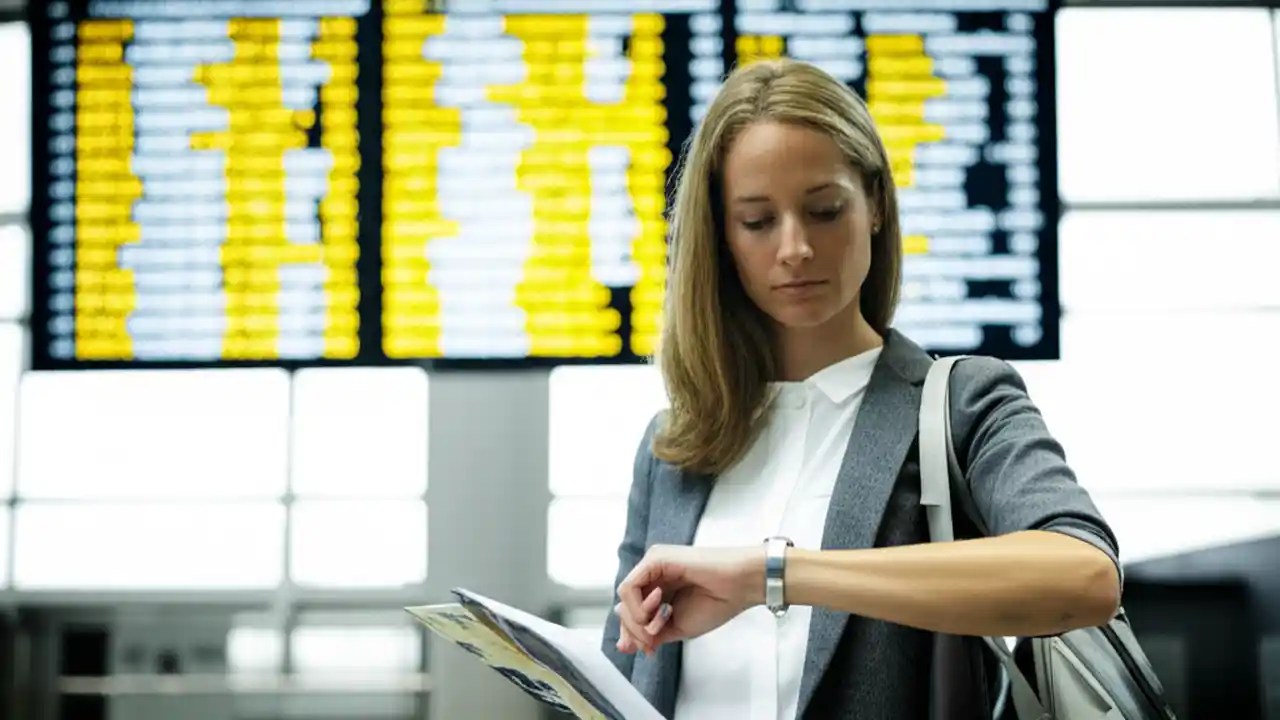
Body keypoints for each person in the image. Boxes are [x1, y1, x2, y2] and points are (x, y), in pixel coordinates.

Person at [600, 58, 1123, 720]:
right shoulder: (673, 445)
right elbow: (621, 679)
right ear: (722, 236)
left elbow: (1083, 576)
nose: (794, 248)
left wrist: (773, 577)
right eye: (757, 221)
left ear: (874, 203)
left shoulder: (959, 404)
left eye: (823, 210)